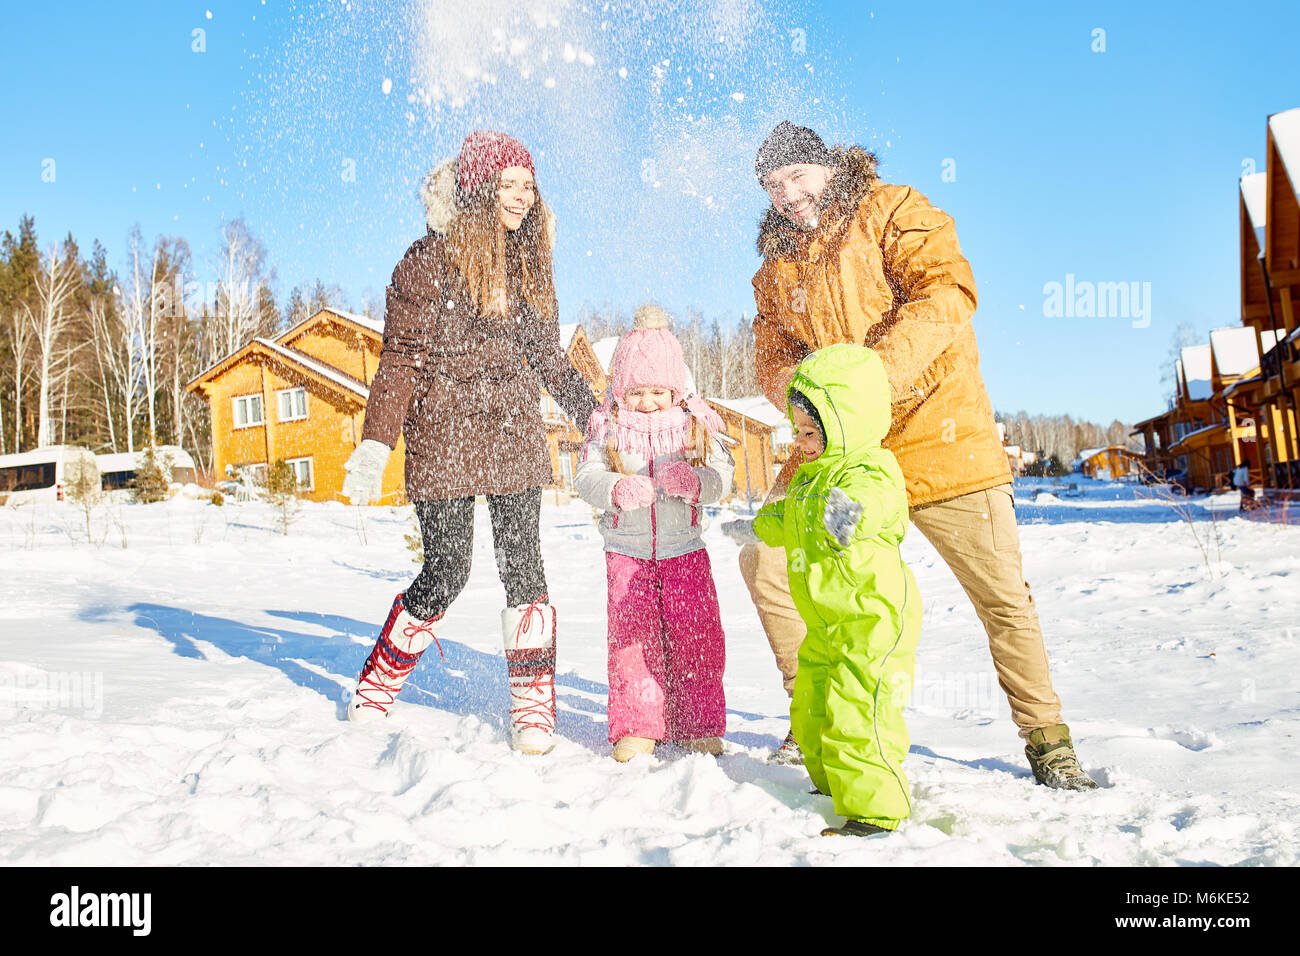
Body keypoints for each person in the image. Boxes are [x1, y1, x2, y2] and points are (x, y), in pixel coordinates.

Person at [739, 120, 1095, 790]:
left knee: (999, 595)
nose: (787, 194)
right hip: (838, 447)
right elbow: (772, 360)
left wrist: (871, 377)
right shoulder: (776, 269)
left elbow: (946, 291)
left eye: (796, 176)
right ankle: (812, 709)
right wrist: (814, 400)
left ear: (825, 166)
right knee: (769, 558)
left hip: (941, 434)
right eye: (772, 185)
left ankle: (1048, 740)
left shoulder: (894, 210)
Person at [340, 130, 598, 756]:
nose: (520, 197)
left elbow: (546, 354)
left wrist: (597, 416)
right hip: (443, 430)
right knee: (447, 569)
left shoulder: (529, 261)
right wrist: (376, 443)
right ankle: (377, 681)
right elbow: (399, 357)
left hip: (510, 426)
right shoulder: (424, 262)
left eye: (528, 185)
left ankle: (533, 704)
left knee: (522, 565)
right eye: (507, 185)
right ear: (480, 190)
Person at [727, 345, 921, 836]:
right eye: (798, 432)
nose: (803, 442)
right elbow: (788, 516)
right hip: (826, 621)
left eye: (811, 432)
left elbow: (875, 503)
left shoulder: (869, 468)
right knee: (811, 707)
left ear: (845, 422)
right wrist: (755, 529)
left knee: (860, 710)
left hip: (870, 619)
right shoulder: (811, 477)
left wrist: (848, 515)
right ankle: (833, 783)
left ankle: (874, 810)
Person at [574, 305, 734, 762]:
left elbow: (725, 474)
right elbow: (585, 477)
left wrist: (698, 482)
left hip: (685, 551)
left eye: (657, 391)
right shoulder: (606, 427)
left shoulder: (695, 427)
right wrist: (616, 488)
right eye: (637, 391)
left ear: (675, 388)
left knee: (697, 637)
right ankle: (640, 726)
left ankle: (698, 723)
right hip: (627, 554)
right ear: (622, 389)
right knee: (632, 640)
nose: (647, 402)